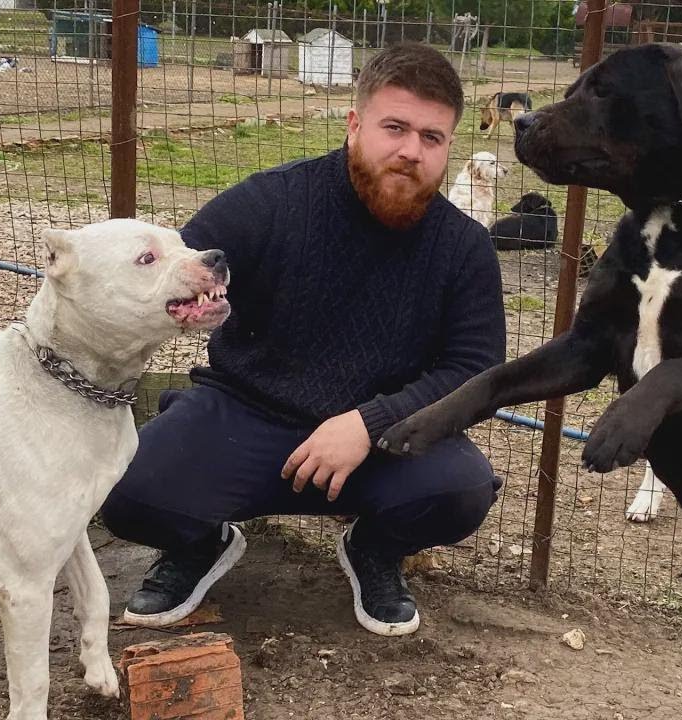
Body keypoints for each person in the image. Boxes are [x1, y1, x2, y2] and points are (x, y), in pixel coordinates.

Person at [99, 42, 505, 637]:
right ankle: (202, 543)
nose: (410, 151)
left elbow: (476, 370)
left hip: (384, 440)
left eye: (431, 137)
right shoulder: (275, 202)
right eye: (394, 128)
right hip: (249, 413)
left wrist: (368, 423)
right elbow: (175, 269)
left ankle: (373, 548)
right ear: (354, 124)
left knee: (462, 490)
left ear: (448, 147)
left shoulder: (464, 247)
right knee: (127, 491)